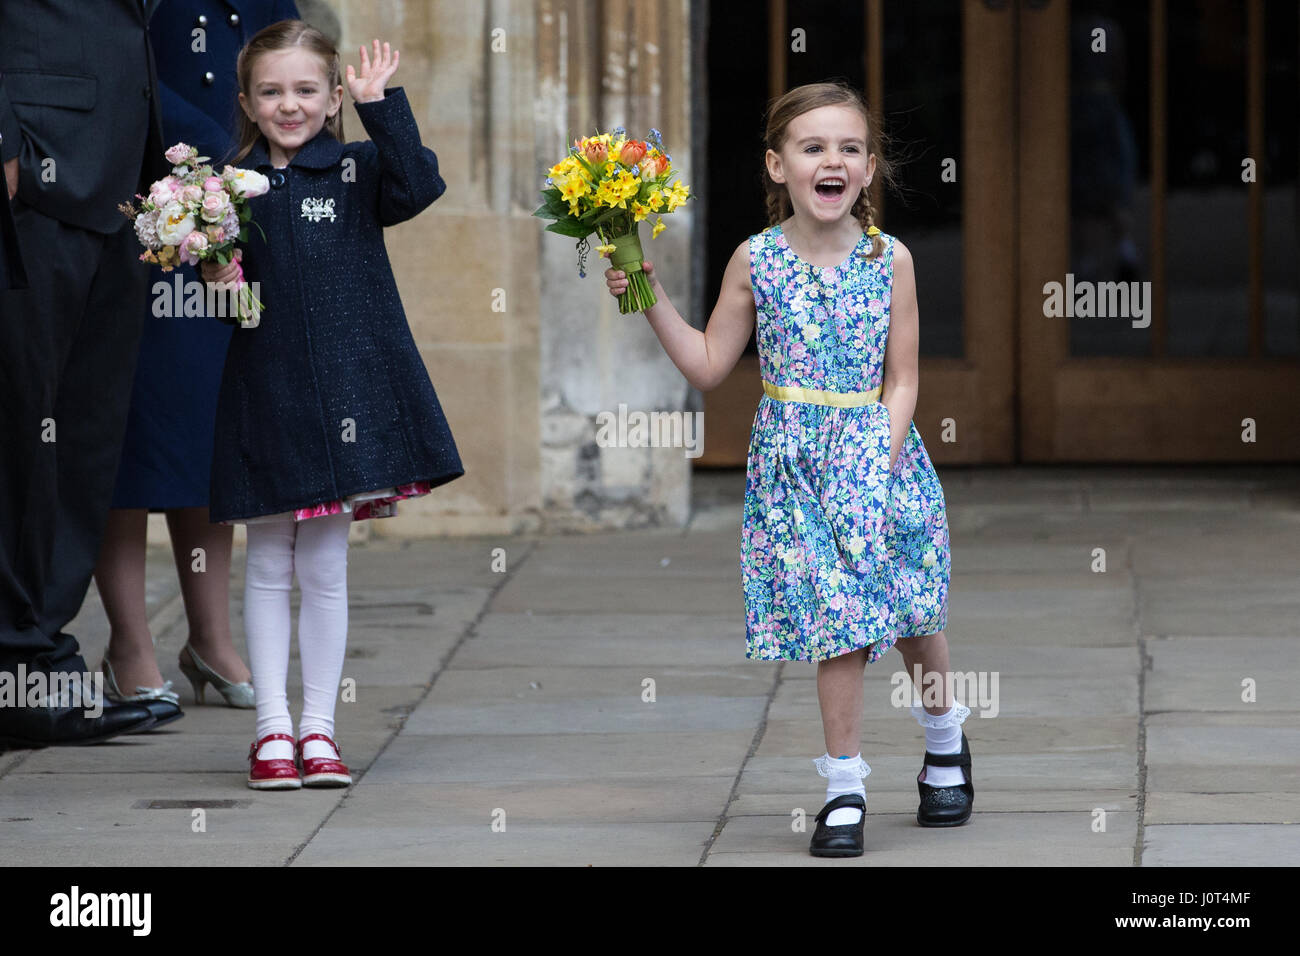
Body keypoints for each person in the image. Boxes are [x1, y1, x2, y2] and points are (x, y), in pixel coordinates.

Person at [605, 82, 969, 858]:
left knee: (915, 619)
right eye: (812, 148)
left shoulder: (890, 258)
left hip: (881, 456)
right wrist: (644, 287)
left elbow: (903, 374)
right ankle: (845, 789)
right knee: (836, 625)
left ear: (869, 168)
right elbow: (707, 364)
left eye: (848, 148)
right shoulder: (757, 260)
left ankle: (945, 744)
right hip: (796, 464)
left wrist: (882, 449)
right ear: (778, 166)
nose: (831, 161)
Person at [200, 22, 463, 790]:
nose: (290, 105)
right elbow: (238, 312)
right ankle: (270, 731)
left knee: (324, 566)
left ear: (334, 95)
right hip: (267, 397)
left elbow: (419, 186)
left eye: (307, 90)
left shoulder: (355, 169)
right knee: (266, 564)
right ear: (247, 101)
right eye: (272, 92)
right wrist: (221, 283)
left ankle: (319, 730)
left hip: (351, 397)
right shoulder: (225, 187)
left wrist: (384, 109)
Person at [94, 1, 299, 717]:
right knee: (125, 437)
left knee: (206, 430)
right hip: (134, 216)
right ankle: (129, 645)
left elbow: (290, 58)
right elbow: (123, 64)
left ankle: (210, 639)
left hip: (234, 222)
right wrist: (217, 152)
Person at [0, 0, 173, 746]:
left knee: (81, 440)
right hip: (33, 172)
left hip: (117, 185)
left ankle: (37, 666)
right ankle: (20, 663)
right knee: (18, 433)